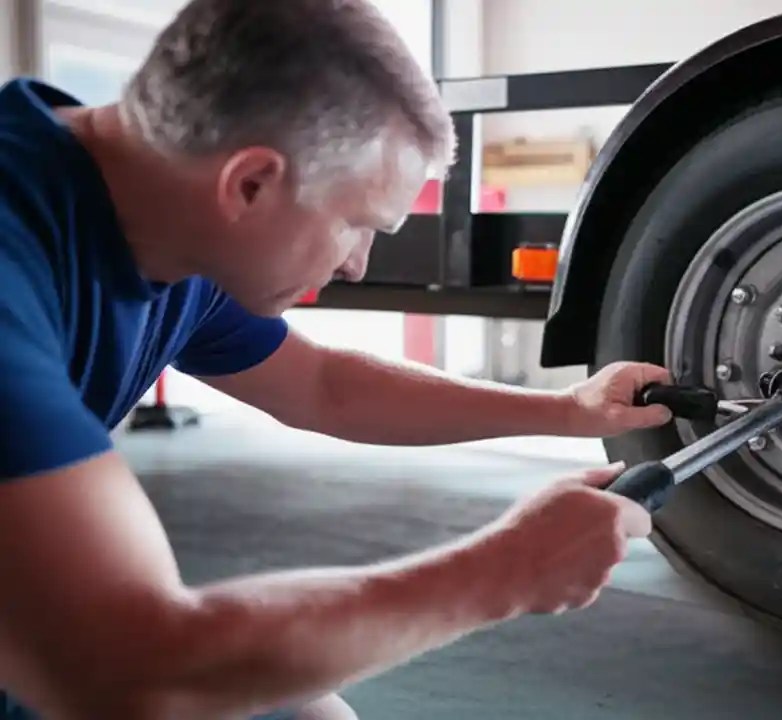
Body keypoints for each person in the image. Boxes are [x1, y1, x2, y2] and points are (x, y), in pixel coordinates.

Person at [0, 1, 674, 718]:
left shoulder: (154, 219)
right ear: (250, 183)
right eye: (356, 223)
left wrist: (567, 411)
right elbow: (132, 675)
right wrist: (507, 570)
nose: (357, 264)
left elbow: (322, 385)